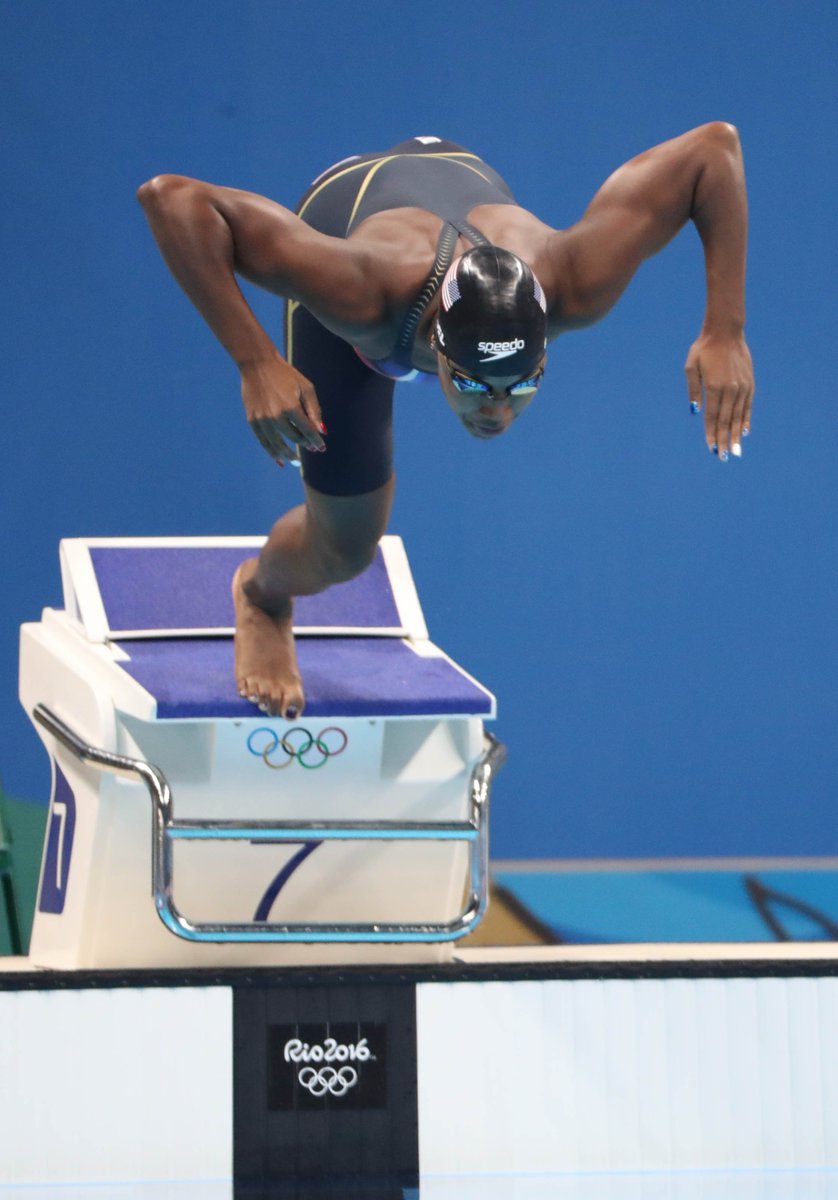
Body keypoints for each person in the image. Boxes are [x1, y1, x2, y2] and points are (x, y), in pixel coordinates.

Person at [137, 124, 754, 719]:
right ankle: (261, 596)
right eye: (474, 385)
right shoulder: (361, 295)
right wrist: (256, 362)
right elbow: (173, 199)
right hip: (350, 219)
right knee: (344, 548)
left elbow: (712, 149)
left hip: (455, 172)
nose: (498, 410)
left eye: (522, 385)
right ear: (435, 350)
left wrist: (725, 330)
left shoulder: (576, 281)